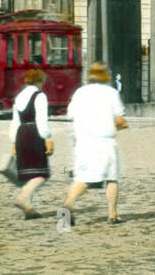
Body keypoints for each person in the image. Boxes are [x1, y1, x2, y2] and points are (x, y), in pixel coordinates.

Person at [61, 63, 128, 225]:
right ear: (106, 75)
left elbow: (70, 117)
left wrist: (75, 139)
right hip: (105, 142)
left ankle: (68, 204)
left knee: (83, 178)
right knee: (111, 178)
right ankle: (112, 214)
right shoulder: (111, 93)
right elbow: (119, 119)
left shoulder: (79, 93)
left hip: (84, 142)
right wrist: (119, 124)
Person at [9, 67, 53, 217]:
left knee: (29, 173)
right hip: (34, 134)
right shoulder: (39, 96)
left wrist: (14, 141)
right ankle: (22, 198)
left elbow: (15, 121)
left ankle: (29, 209)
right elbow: (42, 120)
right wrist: (47, 138)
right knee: (41, 174)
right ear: (39, 81)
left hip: (21, 134)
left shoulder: (19, 96)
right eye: (43, 81)